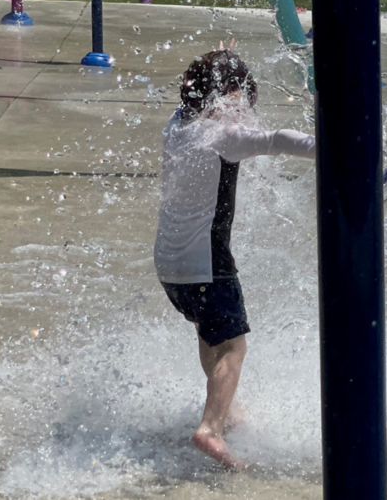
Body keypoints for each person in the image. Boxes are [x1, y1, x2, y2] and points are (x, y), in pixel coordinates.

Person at [154, 46, 315, 469]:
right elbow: (278, 140)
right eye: (237, 95)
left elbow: (201, 89)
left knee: (210, 334)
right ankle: (211, 429)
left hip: (170, 267)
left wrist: (217, 62)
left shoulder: (177, 125)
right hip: (207, 263)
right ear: (225, 94)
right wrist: (335, 149)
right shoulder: (221, 136)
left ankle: (229, 410)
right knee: (233, 346)